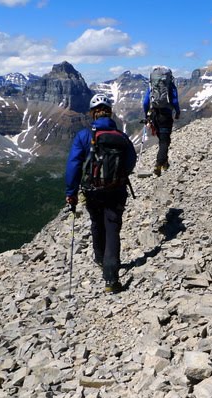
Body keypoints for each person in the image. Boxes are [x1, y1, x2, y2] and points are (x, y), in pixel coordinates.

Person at [65, 94, 137, 293]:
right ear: (110, 112)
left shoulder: (84, 136)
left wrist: (71, 192)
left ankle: (99, 258)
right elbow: (131, 162)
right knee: (112, 228)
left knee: (97, 223)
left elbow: (73, 165)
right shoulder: (122, 137)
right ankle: (111, 278)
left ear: (92, 113)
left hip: (92, 191)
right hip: (117, 191)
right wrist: (117, 177)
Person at [143, 66, 180, 176]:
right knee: (164, 141)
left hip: (154, 115)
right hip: (166, 116)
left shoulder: (152, 86)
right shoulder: (170, 86)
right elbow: (174, 100)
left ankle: (165, 163)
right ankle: (159, 163)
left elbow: (145, 102)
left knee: (162, 140)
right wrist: (177, 112)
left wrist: (147, 115)